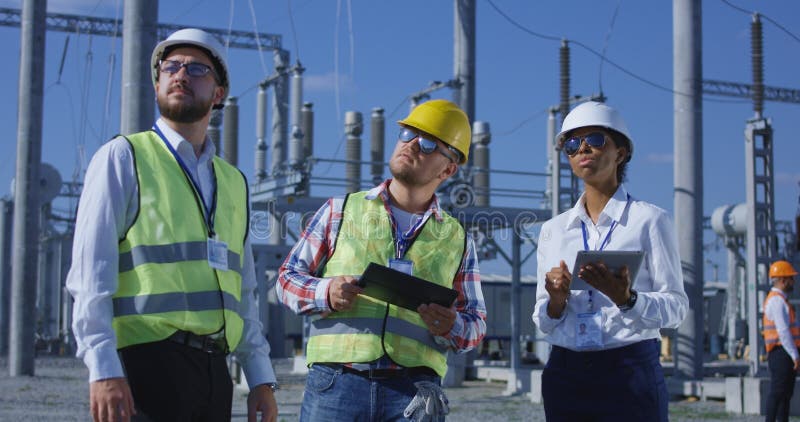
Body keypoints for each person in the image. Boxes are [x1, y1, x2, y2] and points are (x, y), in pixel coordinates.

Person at [66, 28, 278, 422]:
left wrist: (260, 378)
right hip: (144, 366)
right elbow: (89, 276)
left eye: (196, 69)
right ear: (158, 81)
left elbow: (244, 291)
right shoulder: (123, 157)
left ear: (218, 94)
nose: (180, 75)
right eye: (171, 66)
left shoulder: (232, 182)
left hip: (215, 370)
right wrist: (103, 368)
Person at [277, 99, 487, 421]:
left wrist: (453, 324)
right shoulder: (340, 210)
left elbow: (476, 324)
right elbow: (287, 279)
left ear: (448, 169)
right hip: (337, 384)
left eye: (428, 143)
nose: (412, 145)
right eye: (407, 134)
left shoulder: (457, 239)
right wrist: (326, 292)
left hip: (415, 393)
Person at [531, 101, 688, 421]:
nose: (583, 148)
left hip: (630, 371)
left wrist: (628, 299)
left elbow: (676, 308)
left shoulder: (650, 221)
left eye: (596, 139)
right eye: (572, 145)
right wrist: (556, 302)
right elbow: (542, 320)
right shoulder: (553, 230)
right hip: (566, 373)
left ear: (621, 152)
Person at [763, 260, 800, 422]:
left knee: (784, 395)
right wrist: (795, 355)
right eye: (791, 278)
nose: (793, 282)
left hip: (782, 352)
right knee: (778, 393)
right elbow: (783, 332)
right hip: (781, 353)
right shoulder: (777, 301)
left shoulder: (780, 300)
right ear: (783, 280)